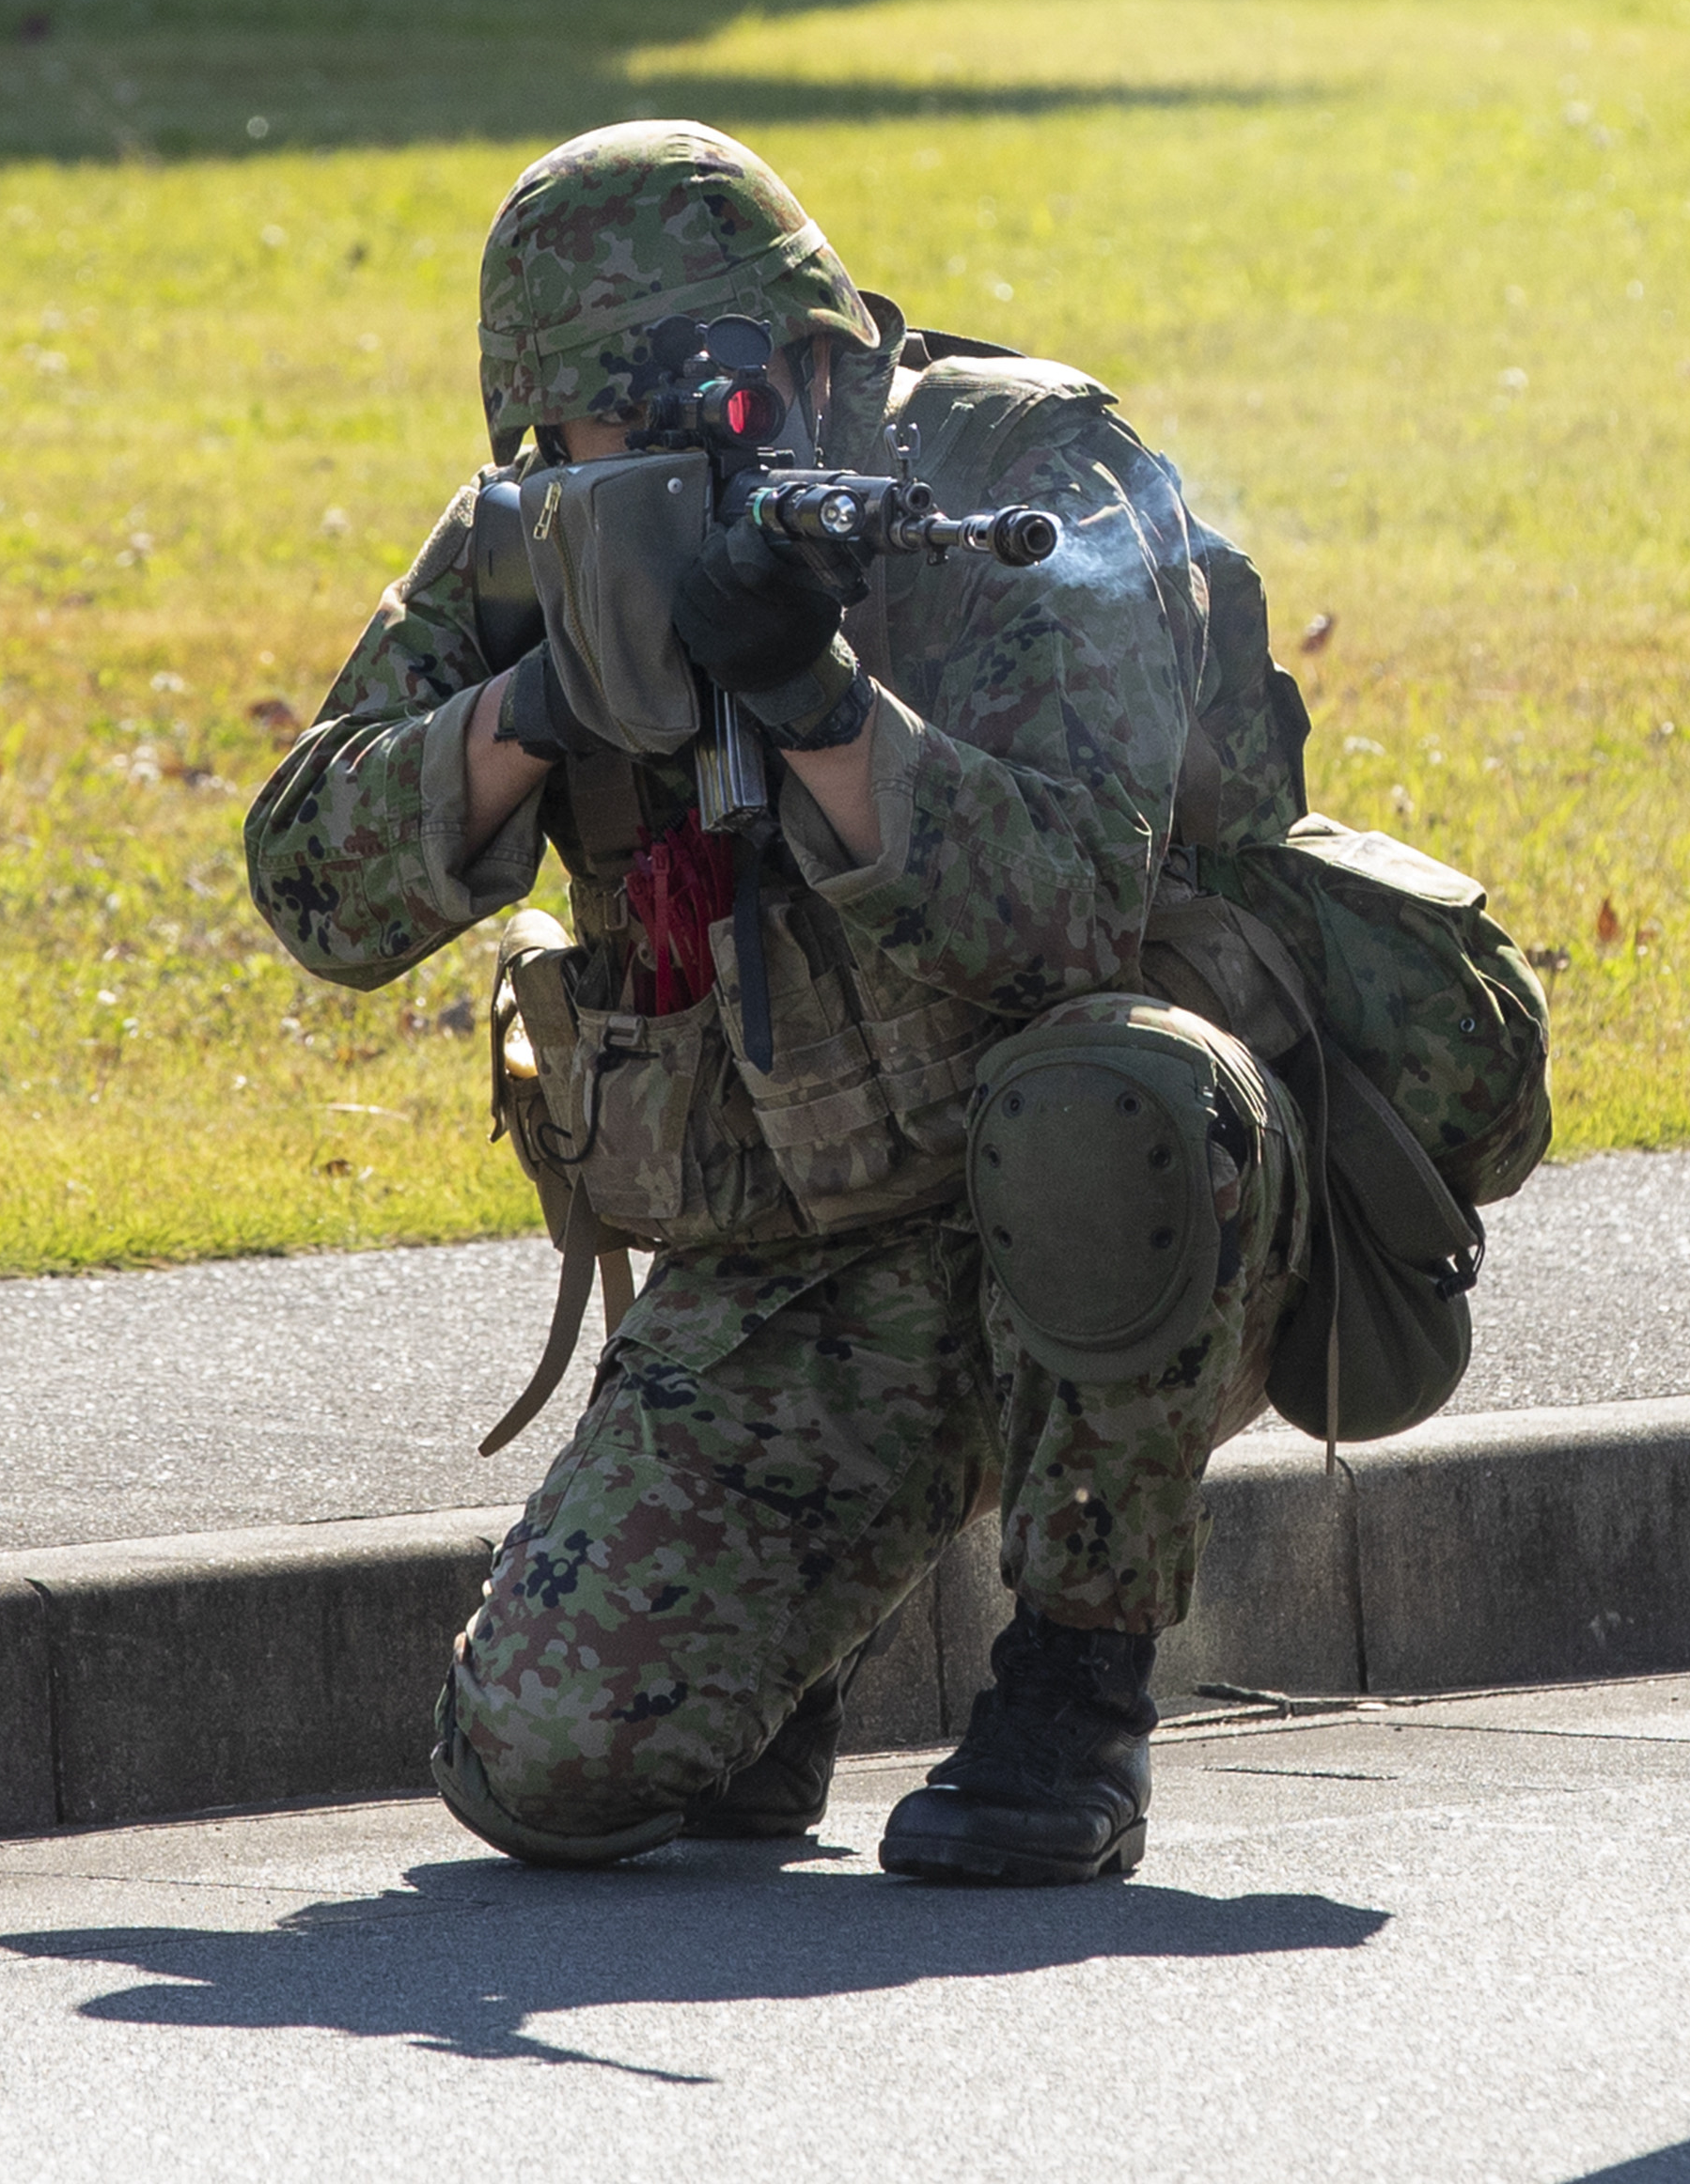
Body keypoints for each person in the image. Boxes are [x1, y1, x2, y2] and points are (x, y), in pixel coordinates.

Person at [246, 119, 1321, 1885]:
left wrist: (819, 705)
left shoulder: (1026, 474)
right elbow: (310, 885)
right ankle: (792, 1651)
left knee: (1106, 1092)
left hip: (1127, 1206)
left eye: (674, 441)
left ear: (806, 359)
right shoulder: (539, 543)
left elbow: (1066, 915)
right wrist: (543, 704)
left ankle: (1077, 1693)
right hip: (806, 1254)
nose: (635, 480)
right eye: (591, 454)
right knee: (543, 1767)